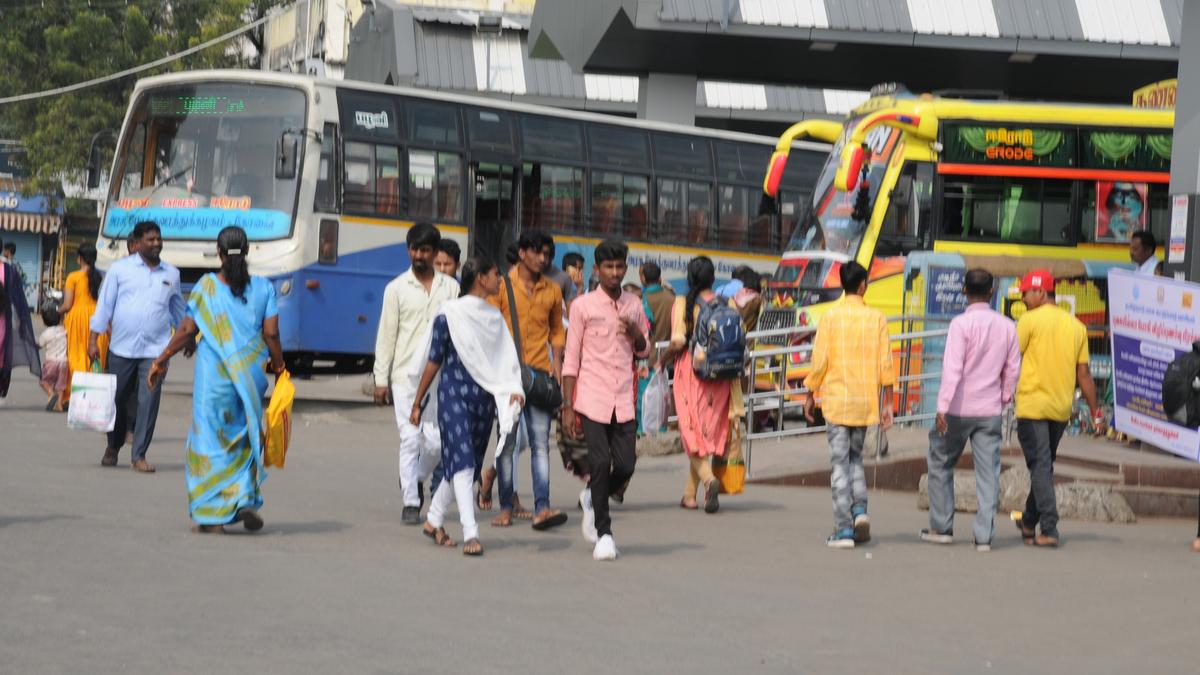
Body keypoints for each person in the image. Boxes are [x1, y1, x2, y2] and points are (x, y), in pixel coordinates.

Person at [147, 226, 285, 534]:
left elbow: (187, 330)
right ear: (246, 252)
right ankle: (243, 498)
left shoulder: (207, 287)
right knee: (244, 436)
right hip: (249, 377)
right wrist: (280, 369)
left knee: (209, 443)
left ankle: (212, 517)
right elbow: (272, 333)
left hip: (214, 381)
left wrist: (161, 359)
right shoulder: (264, 288)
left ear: (219, 253)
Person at [411, 257, 524, 556]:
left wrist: (514, 389)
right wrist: (417, 402)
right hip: (453, 396)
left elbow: (505, 359)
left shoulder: (494, 317)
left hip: (483, 400)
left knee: (466, 464)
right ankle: (470, 532)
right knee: (462, 462)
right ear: (480, 279)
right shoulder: (449, 314)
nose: (500, 279)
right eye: (496, 274)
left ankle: (434, 520)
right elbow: (434, 360)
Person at [562, 238, 650, 561]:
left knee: (625, 464)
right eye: (608, 267)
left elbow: (645, 350)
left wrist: (636, 335)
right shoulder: (582, 306)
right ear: (597, 270)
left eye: (619, 267)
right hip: (591, 396)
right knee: (599, 463)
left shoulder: (634, 305)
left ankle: (592, 496)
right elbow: (571, 359)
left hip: (623, 397)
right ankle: (604, 534)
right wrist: (567, 406)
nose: (614, 273)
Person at [922, 269, 1020, 551]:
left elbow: (952, 369)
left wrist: (942, 407)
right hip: (989, 410)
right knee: (988, 473)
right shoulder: (1007, 326)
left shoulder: (960, 324)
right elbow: (1013, 368)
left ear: (964, 291)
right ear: (992, 292)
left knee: (940, 462)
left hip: (957, 409)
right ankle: (984, 535)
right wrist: (1004, 397)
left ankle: (942, 526)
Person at [804, 261, 895, 549]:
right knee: (855, 459)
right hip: (864, 403)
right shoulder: (876, 318)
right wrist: (888, 403)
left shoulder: (830, 318)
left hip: (836, 402)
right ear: (863, 285)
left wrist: (810, 393)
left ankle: (843, 529)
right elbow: (886, 363)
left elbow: (819, 361)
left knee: (839, 465)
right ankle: (860, 511)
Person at [373, 222, 459, 524]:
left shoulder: (451, 288)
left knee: (436, 443)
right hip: (404, 378)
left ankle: (416, 476)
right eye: (414, 249)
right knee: (410, 440)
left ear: (434, 252)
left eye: (424, 250)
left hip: (439, 377)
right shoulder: (396, 289)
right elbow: (386, 336)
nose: (418, 255)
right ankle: (411, 501)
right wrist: (380, 380)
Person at [1013, 269, 1103, 548]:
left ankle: (1049, 527)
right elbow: (1084, 374)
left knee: (1040, 466)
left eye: (1026, 293)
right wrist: (1096, 412)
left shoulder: (1028, 321)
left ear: (1041, 292)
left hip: (1032, 407)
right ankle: (1029, 521)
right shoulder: (1076, 327)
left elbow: (1011, 359)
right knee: (1043, 465)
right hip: (1060, 409)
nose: (1023, 299)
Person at [486, 229, 568, 530]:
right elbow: (490, 328)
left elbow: (557, 330)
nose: (543, 258)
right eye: (537, 252)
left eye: (547, 254)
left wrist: (557, 363)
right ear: (522, 253)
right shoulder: (502, 287)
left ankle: (542, 507)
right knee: (507, 443)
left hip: (541, 375)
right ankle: (506, 506)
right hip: (508, 377)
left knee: (540, 445)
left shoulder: (553, 290)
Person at [88, 221, 184, 472]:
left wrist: (187, 339)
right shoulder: (120, 270)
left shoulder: (171, 274)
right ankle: (113, 444)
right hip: (121, 349)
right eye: (150, 239)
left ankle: (139, 455)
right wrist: (93, 340)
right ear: (138, 243)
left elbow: (178, 311)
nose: (156, 243)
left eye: (158, 239)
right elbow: (104, 307)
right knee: (116, 400)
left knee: (148, 403)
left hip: (155, 352)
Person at [664, 256, 744, 513]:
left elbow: (678, 341)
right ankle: (689, 495)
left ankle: (709, 480)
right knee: (706, 433)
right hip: (721, 377)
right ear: (713, 278)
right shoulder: (728, 302)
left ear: (689, 278)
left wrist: (660, 361)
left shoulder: (682, 303)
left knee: (692, 433)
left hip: (692, 373)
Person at [60, 243, 108, 392]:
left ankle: (75, 394)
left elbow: (67, 305)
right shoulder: (102, 277)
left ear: (80, 258)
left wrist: (56, 312)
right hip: (98, 320)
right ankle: (93, 395)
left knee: (76, 357)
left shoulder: (73, 277)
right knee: (96, 360)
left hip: (77, 320)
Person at [0, 235, 40, 406]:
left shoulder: (10, 270)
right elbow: (19, 298)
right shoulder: (10, 269)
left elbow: (17, 297)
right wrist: (22, 318)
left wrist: (21, 319)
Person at [37, 307, 68, 411]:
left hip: (51, 362)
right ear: (59, 319)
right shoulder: (64, 330)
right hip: (64, 362)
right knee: (60, 385)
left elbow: (39, 345)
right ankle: (59, 405)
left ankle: (51, 394)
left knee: (43, 381)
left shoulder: (46, 333)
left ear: (45, 322)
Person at [542, 237, 576, 307]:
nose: (541, 259)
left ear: (552, 256)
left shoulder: (563, 278)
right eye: (536, 253)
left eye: (546, 254)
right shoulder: (521, 276)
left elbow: (570, 307)